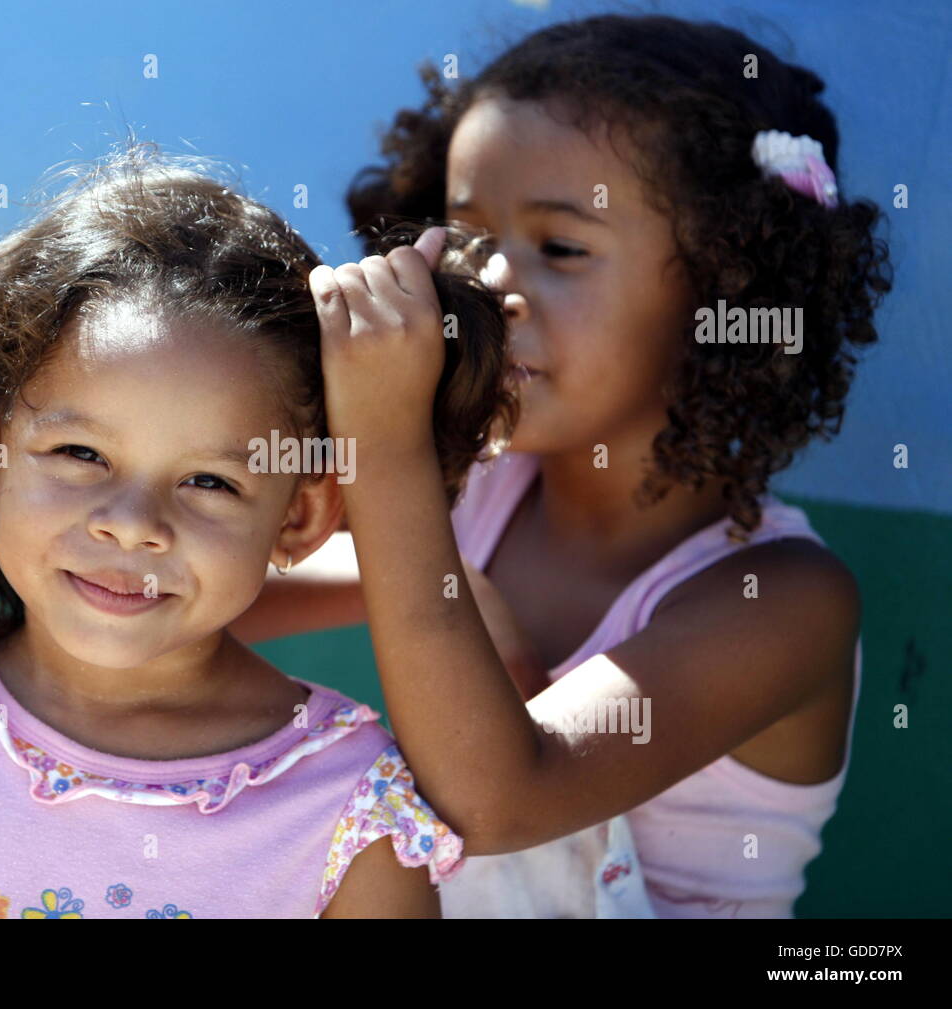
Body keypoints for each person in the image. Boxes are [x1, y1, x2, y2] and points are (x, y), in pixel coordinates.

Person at [236, 14, 892, 918]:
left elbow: (498, 800)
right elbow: (215, 571)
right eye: (467, 238)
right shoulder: (480, 489)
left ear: (725, 284)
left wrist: (384, 453)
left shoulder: (782, 597)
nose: (498, 284)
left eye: (562, 247)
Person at [0, 146, 514, 918]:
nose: (132, 526)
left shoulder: (351, 803)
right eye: (81, 454)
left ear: (299, 517)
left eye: (209, 481)